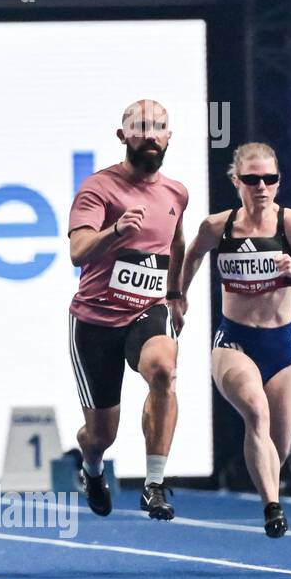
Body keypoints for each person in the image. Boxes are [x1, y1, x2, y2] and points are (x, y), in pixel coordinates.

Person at [177, 142, 291, 536]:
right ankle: (272, 508)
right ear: (237, 182)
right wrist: (176, 296)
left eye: (270, 178)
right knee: (256, 412)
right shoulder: (219, 226)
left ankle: (265, 484)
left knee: (277, 448)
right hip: (235, 342)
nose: (261, 186)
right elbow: (192, 255)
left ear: (278, 182)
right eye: (252, 179)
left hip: (283, 345)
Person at [67, 99, 187, 520]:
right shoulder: (99, 189)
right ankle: (91, 468)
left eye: (159, 127)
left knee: (163, 370)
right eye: (140, 127)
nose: (150, 134)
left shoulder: (176, 193)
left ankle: (154, 484)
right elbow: (77, 252)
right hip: (96, 319)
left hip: (147, 310)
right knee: (102, 434)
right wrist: (115, 231)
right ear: (123, 136)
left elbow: (176, 242)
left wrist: (175, 293)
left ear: (169, 137)